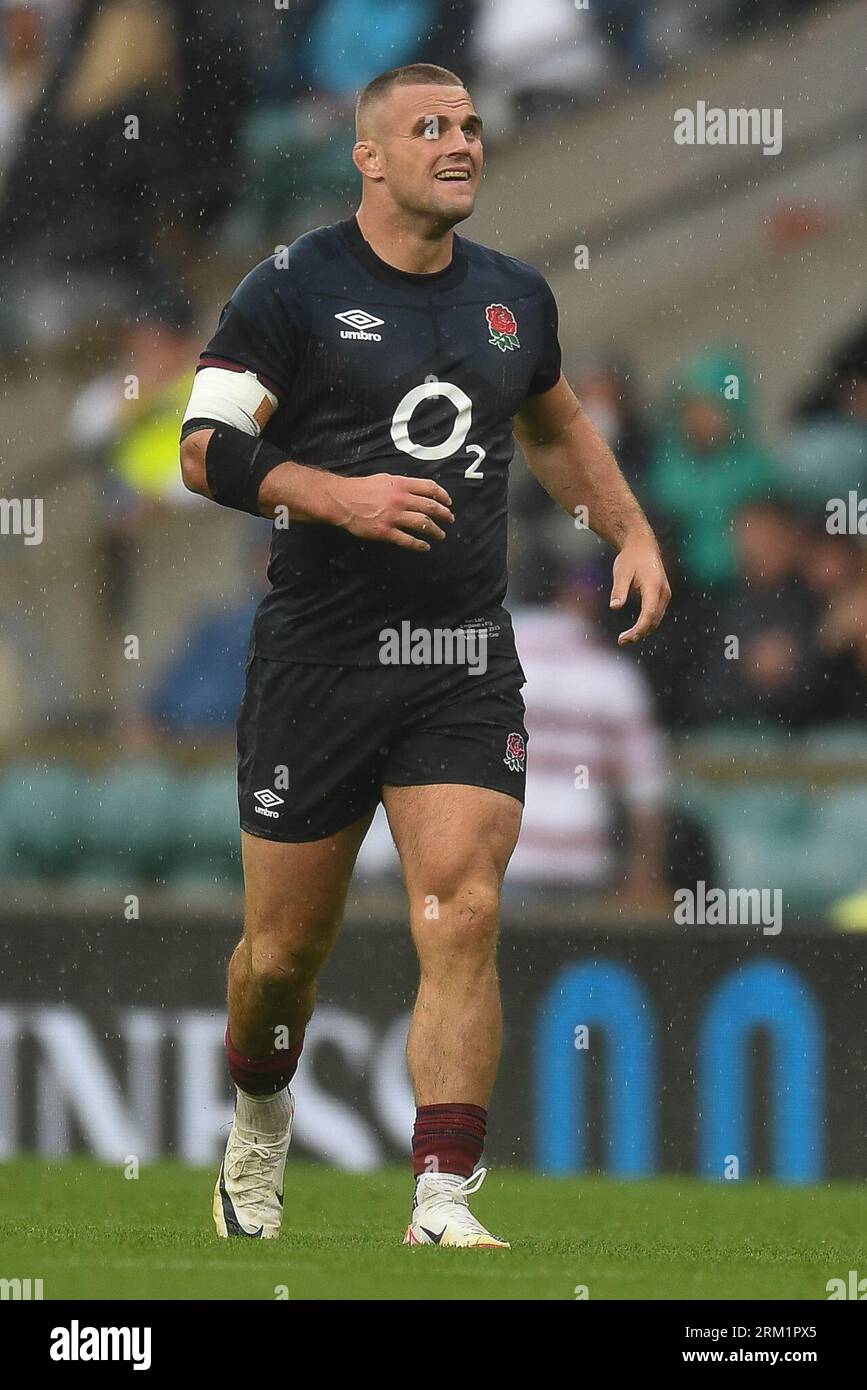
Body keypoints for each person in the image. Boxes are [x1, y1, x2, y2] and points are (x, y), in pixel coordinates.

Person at [179, 62, 670, 1248]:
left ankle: (442, 1196)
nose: (460, 143)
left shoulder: (514, 296)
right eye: (430, 127)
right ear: (370, 157)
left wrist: (632, 529)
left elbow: (554, 421)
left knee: (462, 907)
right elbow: (202, 451)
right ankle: (259, 1118)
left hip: (459, 656)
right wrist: (336, 496)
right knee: (281, 957)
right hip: (318, 660)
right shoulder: (288, 287)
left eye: (471, 126)